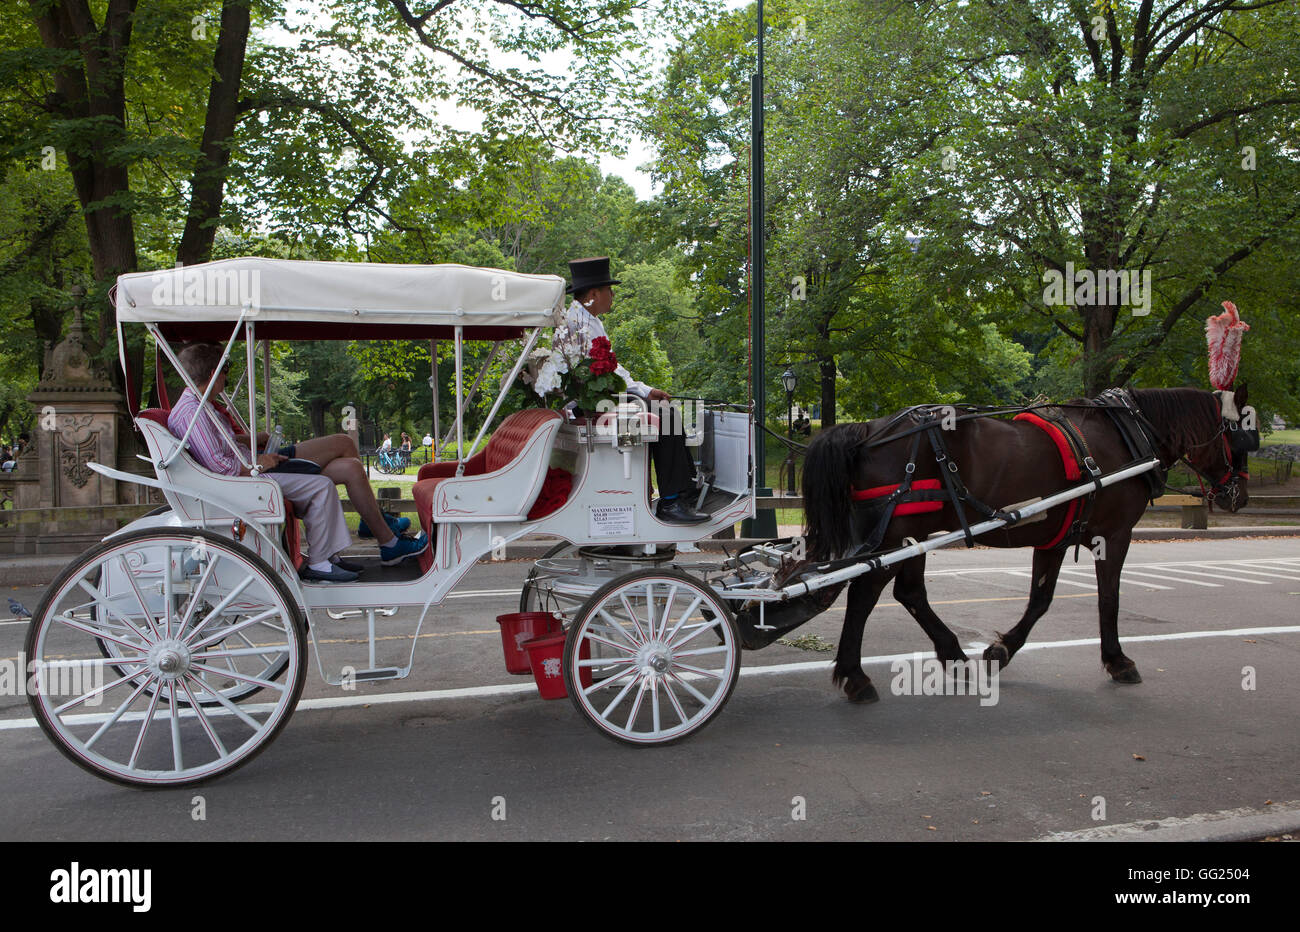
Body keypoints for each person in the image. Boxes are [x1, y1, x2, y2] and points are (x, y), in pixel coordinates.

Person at [168, 342, 426, 581]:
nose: (226, 377)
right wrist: (261, 461)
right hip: (246, 480)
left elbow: (220, 445)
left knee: (352, 467)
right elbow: (222, 466)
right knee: (323, 484)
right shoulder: (194, 412)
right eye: (225, 371)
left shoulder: (198, 407)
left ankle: (348, 549)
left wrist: (254, 444)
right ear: (215, 373)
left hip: (249, 470)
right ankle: (323, 561)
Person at [563, 256, 709, 524]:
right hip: (588, 405)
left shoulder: (584, 319)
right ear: (594, 294)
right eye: (609, 289)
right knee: (665, 417)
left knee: (665, 411)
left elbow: (612, 369)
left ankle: (684, 489)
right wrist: (642, 391)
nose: (613, 294)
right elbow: (605, 372)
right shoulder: (581, 324)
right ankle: (672, 500)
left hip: (592, 401)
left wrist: (645, 390)